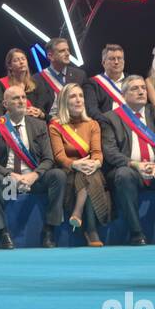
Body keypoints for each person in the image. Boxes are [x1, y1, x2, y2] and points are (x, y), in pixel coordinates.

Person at [99, 74, 155, 245]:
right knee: (123, 175)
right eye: (135, 88)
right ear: (123, 95)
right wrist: (135, 165)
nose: (141, 91)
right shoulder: (110, 118)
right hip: (131, 170)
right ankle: (136, 233)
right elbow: (110, 151)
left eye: (143, 88)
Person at [0, 85, 67, 249]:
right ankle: (3, 233)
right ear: (5, 104)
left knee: (58, 175)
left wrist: (34, 175)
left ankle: (49, 230)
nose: (21, 101)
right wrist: (11, 174)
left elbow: (48, 159)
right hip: (10, 182)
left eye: (23, 97)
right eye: (16, 98)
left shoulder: (39, 125)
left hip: (34, 180)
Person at [48, 83, 109, 247]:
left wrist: (96, 163)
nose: (78, 100)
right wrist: (74, 164)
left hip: (91, 169)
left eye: (81, 96)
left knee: (89, 173)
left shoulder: (92, 124)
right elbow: (59, 155)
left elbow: (97, 151)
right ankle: (91, 230)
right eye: (73, 96)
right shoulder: (56, 126)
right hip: (68, 172)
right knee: (87, 175)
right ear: (64, 102)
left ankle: (78, 213)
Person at [33, 36, 88, 117]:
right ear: (50, 56)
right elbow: (39, 110)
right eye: (62, 51)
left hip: (78, 120)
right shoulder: (37, 79)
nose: (67, 53)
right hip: (53, 123)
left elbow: (87, 103)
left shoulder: (80, 75)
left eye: (68, 50)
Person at [84, 43, 129, 116]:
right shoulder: (92, 84)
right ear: (103, 63)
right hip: (107, 124)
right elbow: (92, 111)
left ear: (124, 61)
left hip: (134, 125)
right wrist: (107, 124)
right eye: (112, 59)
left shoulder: (133, 81)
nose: (116, 62)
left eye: (119, 58)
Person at [0, 48, 46, 118]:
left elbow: (42, 107)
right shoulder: (1, 84)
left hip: (36, 122)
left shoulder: (36, 83)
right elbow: (1, 110)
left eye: (23, 59)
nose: (21, 62)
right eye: (16, 60)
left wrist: (39, 113)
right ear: (9, 66)